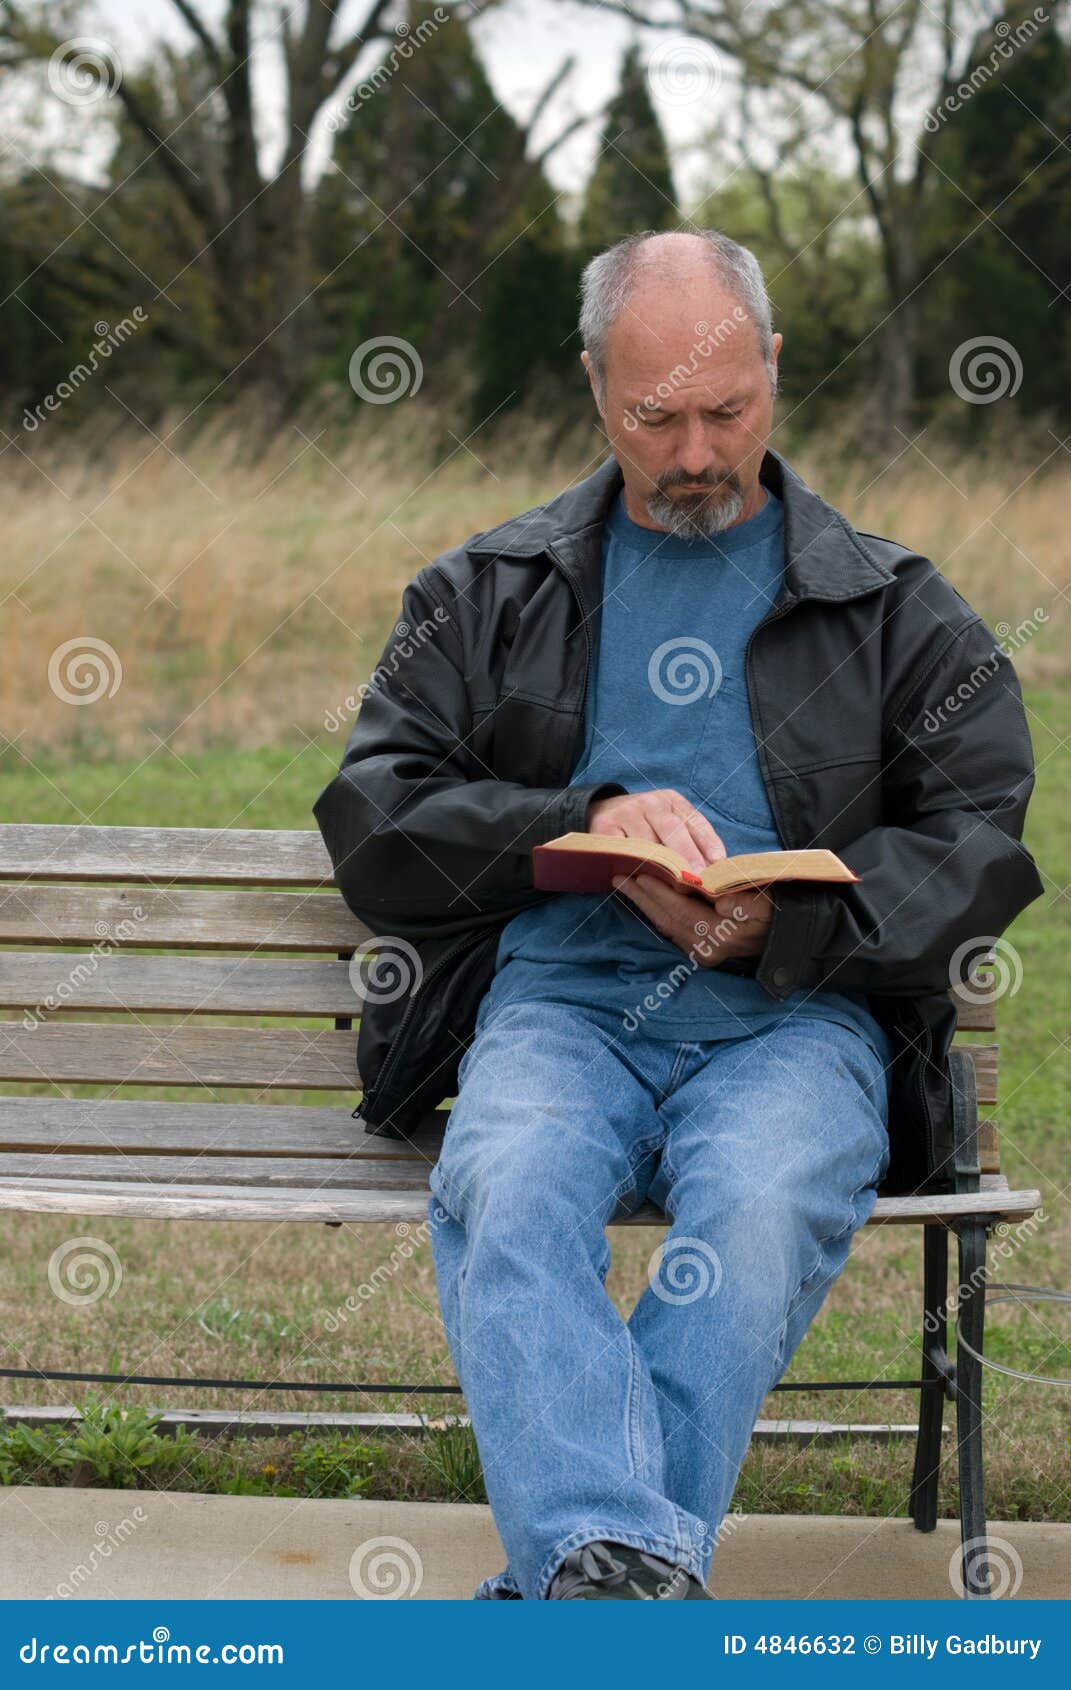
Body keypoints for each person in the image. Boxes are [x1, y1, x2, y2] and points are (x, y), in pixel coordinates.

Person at [312, 229, 1043, 1600]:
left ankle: (590, 1578)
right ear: (596, 384)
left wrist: (803, 926)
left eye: (729, 409)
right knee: (507, 1185)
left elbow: (980, 839)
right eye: (658, 417)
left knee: (761, 1206)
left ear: (773, 366)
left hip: (794, 1023)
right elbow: (373, 810)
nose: (699, 451)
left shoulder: (894, 606)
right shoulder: (489, 592)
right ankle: (633, 1577)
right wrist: (568, 821)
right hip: (559, 1011)